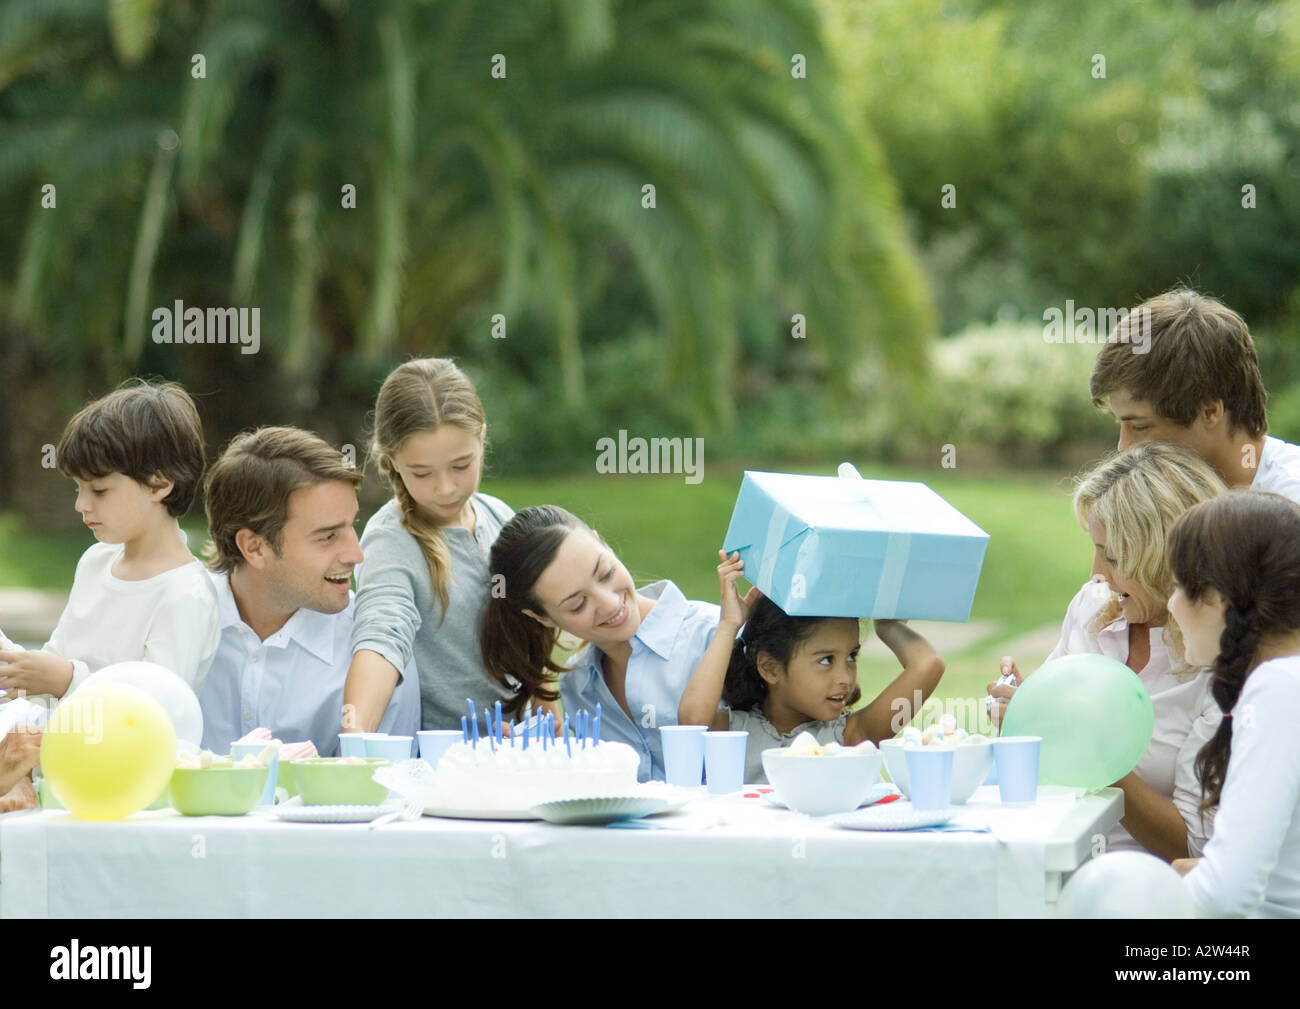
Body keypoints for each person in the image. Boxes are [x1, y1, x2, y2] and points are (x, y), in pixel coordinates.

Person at [989, 443, 1226, 859]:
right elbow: (1050, 735)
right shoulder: (1094, 606)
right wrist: (1023, 711)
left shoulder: (1218, 665)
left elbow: (1193, 848)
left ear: (1165, 562)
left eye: (1113, 556)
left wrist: (1095, 753)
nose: (1096, 573)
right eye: (1097, 548)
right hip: (1054, 857)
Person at [199, 427, 418, 756]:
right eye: (328, 536)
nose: (356, 555)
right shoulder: (176, 623)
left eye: (352, 526)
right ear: (254, 547)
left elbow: (384, 794)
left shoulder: (376, 655)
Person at [0, 380, 219, 709]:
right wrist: (17, 669)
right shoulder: (96, 560)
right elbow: (55, 664)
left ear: (159, 484)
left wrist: (66, 680)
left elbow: (158, 710)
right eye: (78, 489)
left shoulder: (186, 595)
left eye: (99, 491)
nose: (81, 505)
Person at [479, 506, 728, 781]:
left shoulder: (717, 637)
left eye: (606, 573)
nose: (610, 604)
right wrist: (554, 763)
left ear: (605, 544)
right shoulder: (579, 685)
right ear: (542, 617)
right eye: (578, 604)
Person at [343, 359, 516, 734]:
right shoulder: (391, 540)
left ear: (482, 438)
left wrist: (544, 692)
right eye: (422, 473)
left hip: (517, 749)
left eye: (461, 465)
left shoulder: (499, 517)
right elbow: (381, 635)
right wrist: (356, 737)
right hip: (441, 762)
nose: (445, 488)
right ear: (392, 462)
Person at [677, 551, 946, 784]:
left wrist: (887, 626)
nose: (845, 677)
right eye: (826, 660)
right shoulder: (730, 731)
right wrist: (729, 624)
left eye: (851, 656)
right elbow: (690, 723)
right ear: (770, 668)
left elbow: (928, 665)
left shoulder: (852, 734)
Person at [1166, 491, 1300, 917]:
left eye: (1180, 587)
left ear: (1218, 601)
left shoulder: (1278, 689)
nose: (1171, 604)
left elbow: (1226, 899)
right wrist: (1210, 873)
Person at [1091, 286, 1300, 501]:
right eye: (1121, 424)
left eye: (1140, 426)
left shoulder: (1291, 502)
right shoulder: (1173, 500)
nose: (1123, 446)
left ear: (1209, 411)